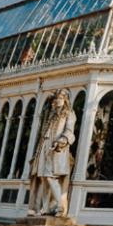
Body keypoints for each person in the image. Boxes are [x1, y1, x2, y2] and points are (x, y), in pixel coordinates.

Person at [28, 89, 76, 217]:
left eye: (60, 98)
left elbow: (70, 131)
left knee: (50, 176)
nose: (57, 100)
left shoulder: (69, 113)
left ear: (65, 99)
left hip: (57, 148)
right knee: (43, 176)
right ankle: (46, 208)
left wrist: (62, 140)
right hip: (44, 145)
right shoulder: (51, 114)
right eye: (56, 98)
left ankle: (60, 207)